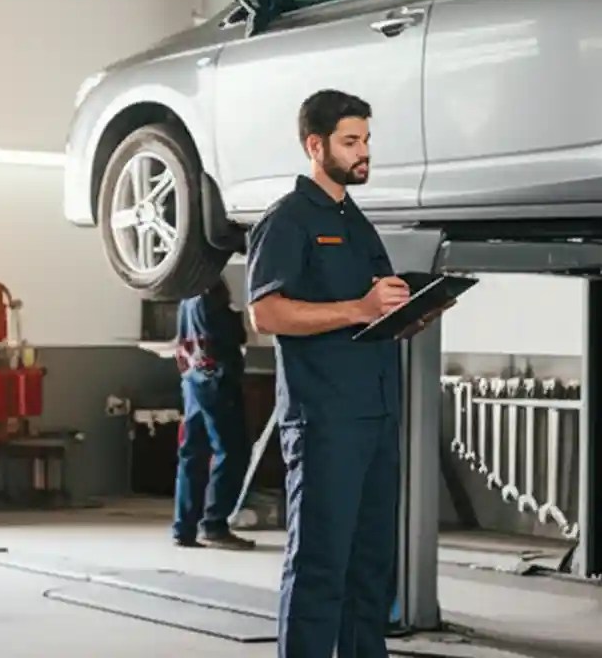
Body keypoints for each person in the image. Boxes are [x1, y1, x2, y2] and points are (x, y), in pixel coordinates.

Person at [246, 89, 452, 657]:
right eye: (351, 142)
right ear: (316, 146)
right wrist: (360, 308)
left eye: (366, 141)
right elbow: (266, 312)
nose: (364, 152)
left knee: (369, 570)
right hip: (324, 420)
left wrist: (406, 314)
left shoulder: (355, 221)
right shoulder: (288, 220)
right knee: (319, 567)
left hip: (376, 415)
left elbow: (371, 309)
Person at [171, 276, 256, 550]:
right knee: (231, 451)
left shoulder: (186, 296)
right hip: (217, 380)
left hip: (193, 378)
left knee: (192, 453)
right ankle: (215, 524)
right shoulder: (212, 297)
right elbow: (234, 335)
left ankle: (183, 528)